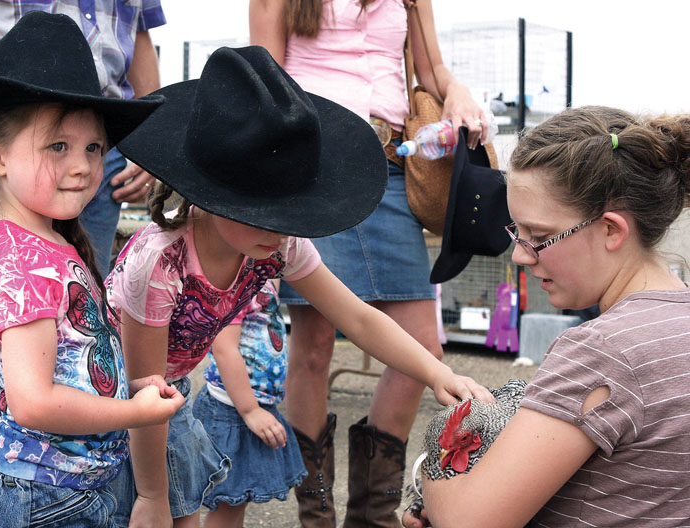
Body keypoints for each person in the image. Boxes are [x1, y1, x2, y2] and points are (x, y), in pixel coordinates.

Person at [105, 45, 493, 527]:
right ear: (209, 196)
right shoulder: (159, 263)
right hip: (110, 398)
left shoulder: (277, 245)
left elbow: (356, 316)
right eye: (265, 213)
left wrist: (439, 374)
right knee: (145, 508)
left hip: (167, 395)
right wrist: (152, 494)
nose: (283, 227)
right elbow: (143, 387)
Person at [0, 12, 183, 527]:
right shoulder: (21, 261)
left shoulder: (48, 240)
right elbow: (33, 404)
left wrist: (127, 385)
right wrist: (134, 413)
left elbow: (71, 358)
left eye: (94, 148)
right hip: (38, 503)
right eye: (58, 146)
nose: (82, 166)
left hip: (69, 490)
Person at [248, 0, 490, 524]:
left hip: (392, 167)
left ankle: (371, 515)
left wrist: (460, 92)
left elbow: (432, 71)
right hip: (317, 165)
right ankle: (316, 514)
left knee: (423, 345)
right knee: (313, 345)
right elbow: (263, 79)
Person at [402, 105, 690, 528]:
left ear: (612, 230)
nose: (519, 254)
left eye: (538, 236)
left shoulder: (600, 350)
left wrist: (432, 469)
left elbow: (470, 522)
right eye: (516, 232)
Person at [192, 278, 307, 527]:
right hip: (231, 408)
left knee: (238, 499)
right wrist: (250, 410)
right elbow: (224, 349)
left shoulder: (263, 271)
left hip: (253, 405)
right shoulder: (232, 284)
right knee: (228, 503)